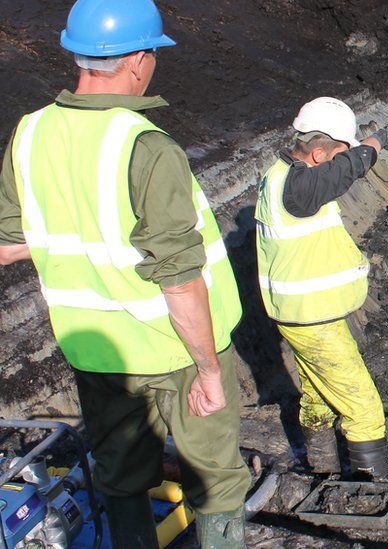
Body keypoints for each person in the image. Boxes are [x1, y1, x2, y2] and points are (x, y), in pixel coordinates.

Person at [0, 0, 251, 546]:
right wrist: (209, 370)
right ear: (138, 59)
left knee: (120, 478)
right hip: (177, 350)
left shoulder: (30, 134)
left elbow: (10, 243)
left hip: (99, 356)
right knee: (216, 480)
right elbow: (180, 278)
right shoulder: (146, 146)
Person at [255, 97, 388, 479]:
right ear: (319, 152)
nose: (342, 161)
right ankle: (367, 488)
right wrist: (370, 148)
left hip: (301, 315)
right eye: (337, 153)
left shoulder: (283, 175)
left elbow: (337, 170)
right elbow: (343, 172)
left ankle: (321, 467)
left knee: (318, 396)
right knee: (363, 406)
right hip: (312, 319)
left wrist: (358, 149)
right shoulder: (299, 189)